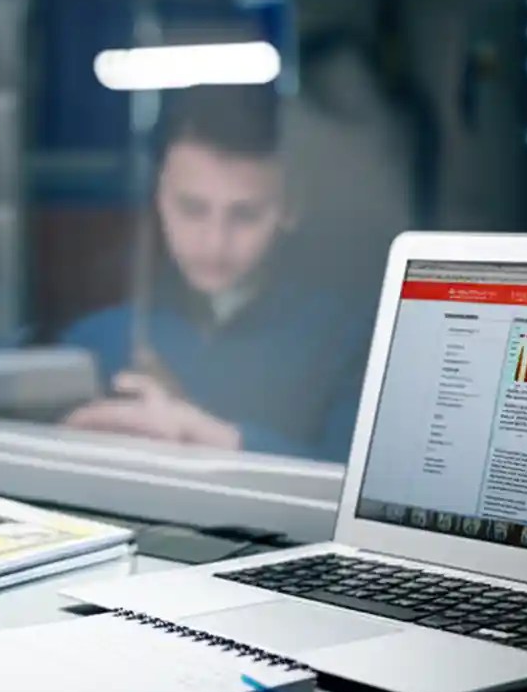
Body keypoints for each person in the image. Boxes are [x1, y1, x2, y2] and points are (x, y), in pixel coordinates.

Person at [61, 84, 372, 463]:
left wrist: (211, 437)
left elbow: (355, 488)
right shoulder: (93, 344)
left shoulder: (350, 347)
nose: (213, 244)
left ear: (290, 207)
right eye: (192, 209)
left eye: (244, 215)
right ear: (159, 197)